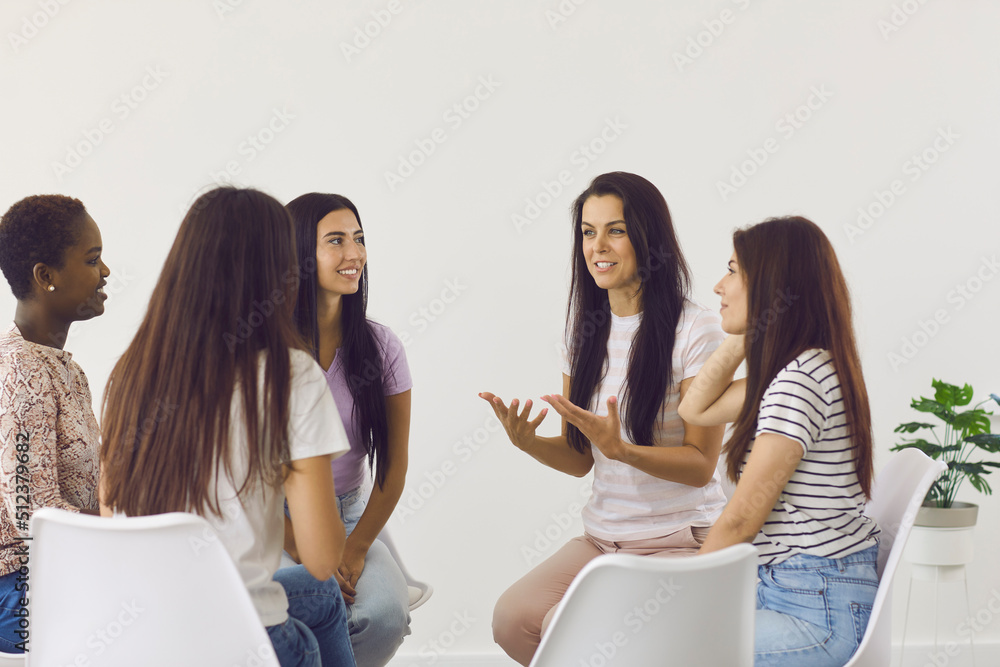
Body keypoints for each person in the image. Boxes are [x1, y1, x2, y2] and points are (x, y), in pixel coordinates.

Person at [99, 187, 356, 666]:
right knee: (311, 606)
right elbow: (323, 558)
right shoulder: (290, 376)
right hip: (238, 641)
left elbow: (111, 512)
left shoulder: (131, 373)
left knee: (314, 605)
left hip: (144, 638)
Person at [484, 172, 729, 666]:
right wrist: (528, 442)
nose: (598, 246)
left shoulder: (696, 330)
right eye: (587, 231)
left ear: (647, 238)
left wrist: (623, 451)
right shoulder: (584, 331)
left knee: (566, 631)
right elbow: (579, 459)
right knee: (513, 619)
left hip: (681, 540)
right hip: (605, 539)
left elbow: (702, 463)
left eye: (615, 230)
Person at [678, 216, 880, 667]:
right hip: (802, 591)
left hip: (818, 612)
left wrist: (677, 598)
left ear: (770, 286)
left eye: (732, 271)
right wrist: (748, 333)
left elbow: (741, 521)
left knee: (663, 646)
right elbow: (695, 410)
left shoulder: (799, 381)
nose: (717, 286)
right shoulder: (799, 368)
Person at [283, 193, 411, 667]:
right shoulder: (264, 351)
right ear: (299, 253)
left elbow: (394, 468)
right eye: (335, 241)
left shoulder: (381, 347)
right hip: (274, 520)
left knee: (383, 616)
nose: (354, 254)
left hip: (349, 516)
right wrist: (299, 542)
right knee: (288, 620)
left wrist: (355, 550)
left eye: (358, 239)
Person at [0, 195, 109, 652]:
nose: (105, 272)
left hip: (67, 566)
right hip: (17, 591)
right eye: (92, 259)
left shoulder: (64, 368)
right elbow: (31, 514)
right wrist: (125, 523)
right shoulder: (21, 373)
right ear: (45, 276)